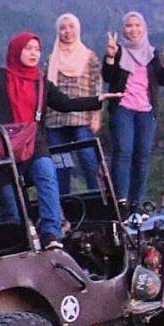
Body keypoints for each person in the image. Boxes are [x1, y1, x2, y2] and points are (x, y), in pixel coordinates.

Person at [0, 28, 122, 250]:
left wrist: (98, 99)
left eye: (37, 49)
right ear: (16, 50)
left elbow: (66, 103)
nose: (34, 53)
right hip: (4, 147)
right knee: (11, 208)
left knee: (47, 175)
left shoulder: (41, 84)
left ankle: (51, 233)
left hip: (34, 144)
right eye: (28, 48)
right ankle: (20, 245)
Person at [102, 11, 164, 214]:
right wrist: (109, 56)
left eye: (137, 25)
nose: (133, 30)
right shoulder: (118, 51)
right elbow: (107, 76)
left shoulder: (152, 54)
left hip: (146, 111)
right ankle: (121, 200)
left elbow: (163, 81)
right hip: (123, 108)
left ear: (144, 28)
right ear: (123, 29)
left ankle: (137, 201)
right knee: (123, 152)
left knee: (142, 156)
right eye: (129, 26)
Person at [43, 13, 104, 195]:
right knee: (61, 163)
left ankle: (97, 197)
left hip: (82, 117)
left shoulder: (89, 57)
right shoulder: (51, 59)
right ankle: (64, 203)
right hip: (55, 119)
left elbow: (97, 87)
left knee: (87, 157)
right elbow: (45, 88)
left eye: (71, 27)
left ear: (77, 29)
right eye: (63, 28)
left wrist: (96, 115)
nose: (67, 31)